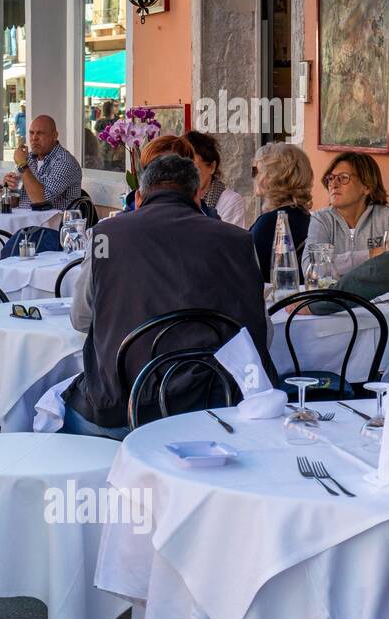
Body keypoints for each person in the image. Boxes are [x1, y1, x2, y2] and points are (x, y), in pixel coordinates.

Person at [62, 154, 271, 439]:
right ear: (198, 195)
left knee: (55, 404)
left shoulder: (105, 236)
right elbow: (262, 332)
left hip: (125, 407)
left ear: (139, 196)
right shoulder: (238, 240)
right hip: (219, 406)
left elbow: (80, 319)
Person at [306, 151, 389, 273]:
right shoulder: (322, 220)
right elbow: (311, 267)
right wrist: (372, 254)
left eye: (343, 178)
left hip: (382, 292)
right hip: (338, 292)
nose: (333, 184)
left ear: (367, 187)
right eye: (330, 178)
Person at [249, 142, 313, 280]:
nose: (254, 177)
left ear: (271, 177)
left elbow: (246, 272)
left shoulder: (271, 223)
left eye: (256, 171)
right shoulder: (305, 216)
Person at [3, 113, 82, 209]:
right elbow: (12, 203)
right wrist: (9, 187)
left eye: (40, 133)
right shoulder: (29, 159)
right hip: (24, 221)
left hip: (50, 223)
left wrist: (22, 165)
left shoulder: (65, 162)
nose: (34, 138)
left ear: (55, 135)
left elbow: (41, 201)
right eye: (31, 133)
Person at [185, 130, 246, 228]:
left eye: (194, 169)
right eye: (182, 168)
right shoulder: (178, 199)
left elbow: (229, 241)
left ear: (212, 167)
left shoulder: (230, 201)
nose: (187, 175)